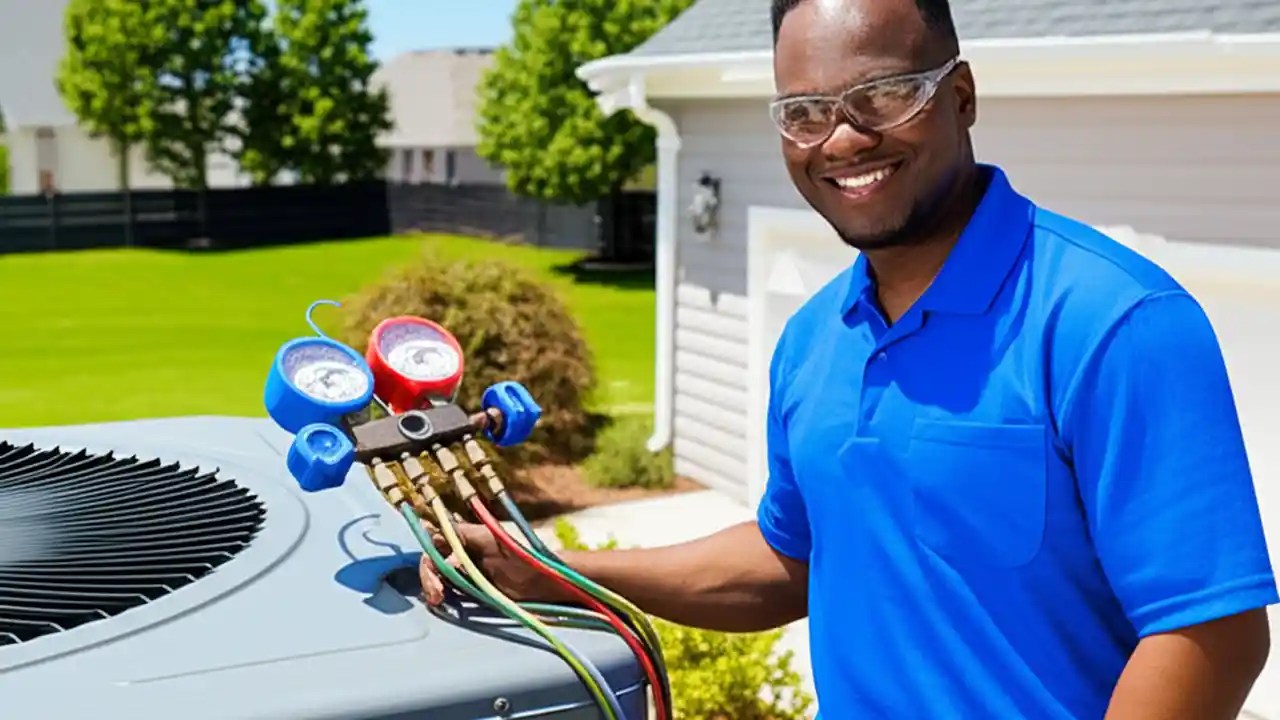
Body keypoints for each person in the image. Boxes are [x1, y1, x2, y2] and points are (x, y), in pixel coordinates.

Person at [420, 0, 1278, 715]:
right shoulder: (812, 342)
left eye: (885, 93)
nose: (841, 139)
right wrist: (558, 573)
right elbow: (789, 558)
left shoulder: (1112, 321)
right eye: (804, 111)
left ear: (963, 95)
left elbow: (1211, 631)